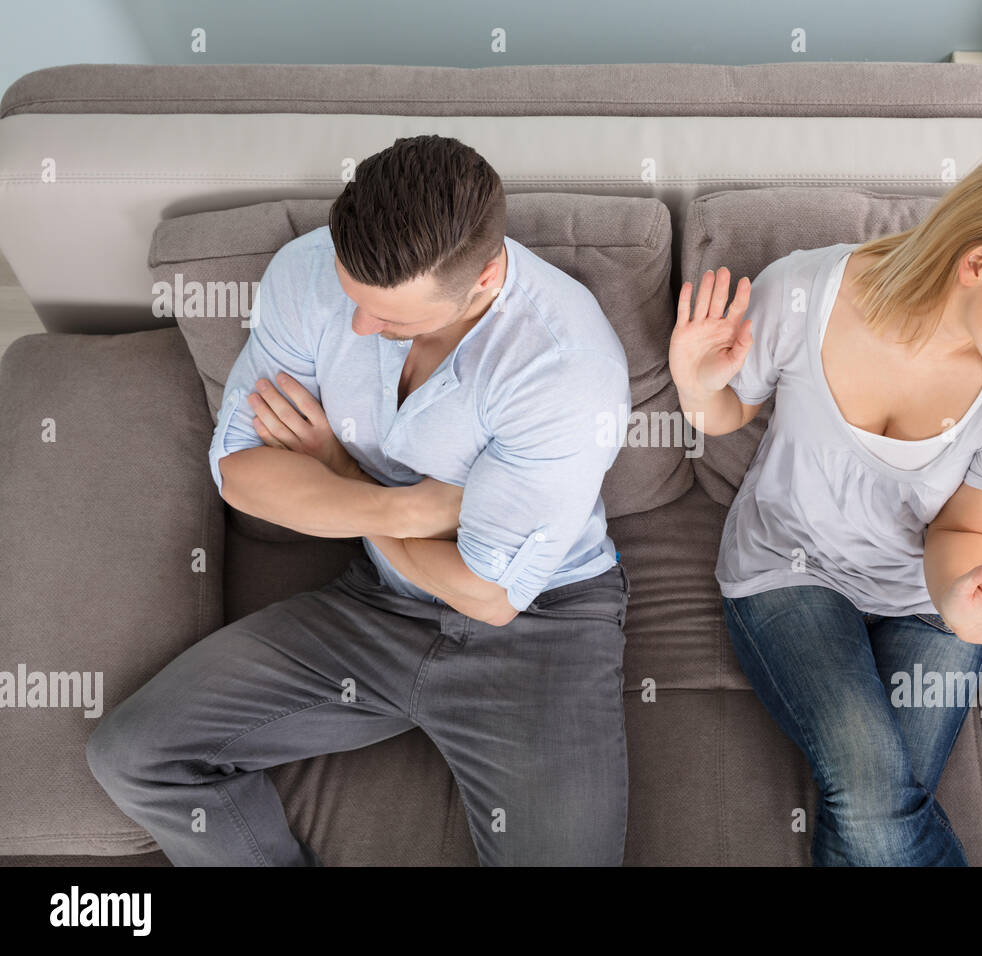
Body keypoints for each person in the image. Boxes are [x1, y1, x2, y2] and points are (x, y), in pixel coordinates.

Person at [86, 134, 633, 866]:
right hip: (378, 601)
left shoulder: (565, 369)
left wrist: (337, 478)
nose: (359, 330)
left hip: (541, 628)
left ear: (485, 278)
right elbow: (244, 476)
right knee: (133, 754)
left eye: (396, 320)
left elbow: (489, 596)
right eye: (353, 298)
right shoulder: (309, 271)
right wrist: (394, 507)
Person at [670, 133, 982, 866]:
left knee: (878, 808)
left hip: (936, 591)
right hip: (792, 568)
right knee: (874, 797)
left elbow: (962, 525)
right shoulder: (803, 294)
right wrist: (698, 388)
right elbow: (729, 409)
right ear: (977, 260)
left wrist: (961, 603)